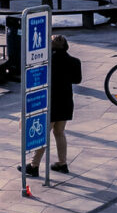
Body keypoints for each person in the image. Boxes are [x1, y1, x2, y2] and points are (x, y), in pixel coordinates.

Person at [25, 35, 81, 177]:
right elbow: (77, 79)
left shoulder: (47, 62)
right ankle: (62, 163)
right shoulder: (75, 62)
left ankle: (34, 165)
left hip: (50, 102)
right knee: (59, 132)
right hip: (66, 102)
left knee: (43, 135)